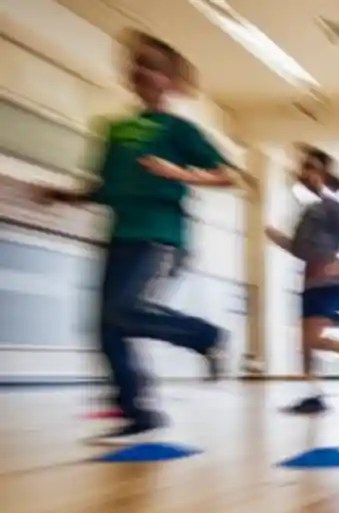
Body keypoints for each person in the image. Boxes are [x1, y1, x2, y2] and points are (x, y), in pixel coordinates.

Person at [36, 32, 235, 442]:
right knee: (104, 327)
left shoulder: (179, 130)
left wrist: (178, 173)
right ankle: (138, 411)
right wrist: (64, 195)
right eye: (136, 63)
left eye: (152, 65)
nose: (141, 70)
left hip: (161, 237)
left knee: (123, 310)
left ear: (171, 81)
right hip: (119, 237)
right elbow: (103, 188)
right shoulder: (113, 130)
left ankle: (205, 335)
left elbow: (227, 175)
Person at [265, 146, 339, 414]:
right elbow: (298, 249)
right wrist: (274, 235)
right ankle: (313, 395)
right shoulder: (308, 210)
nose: (304, 173)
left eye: (310, 167)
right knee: (304, 344)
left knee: (312, 340)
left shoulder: (333, 206)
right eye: (302, 167)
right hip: (310, 282)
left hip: (329, 283)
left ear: (323, 173)